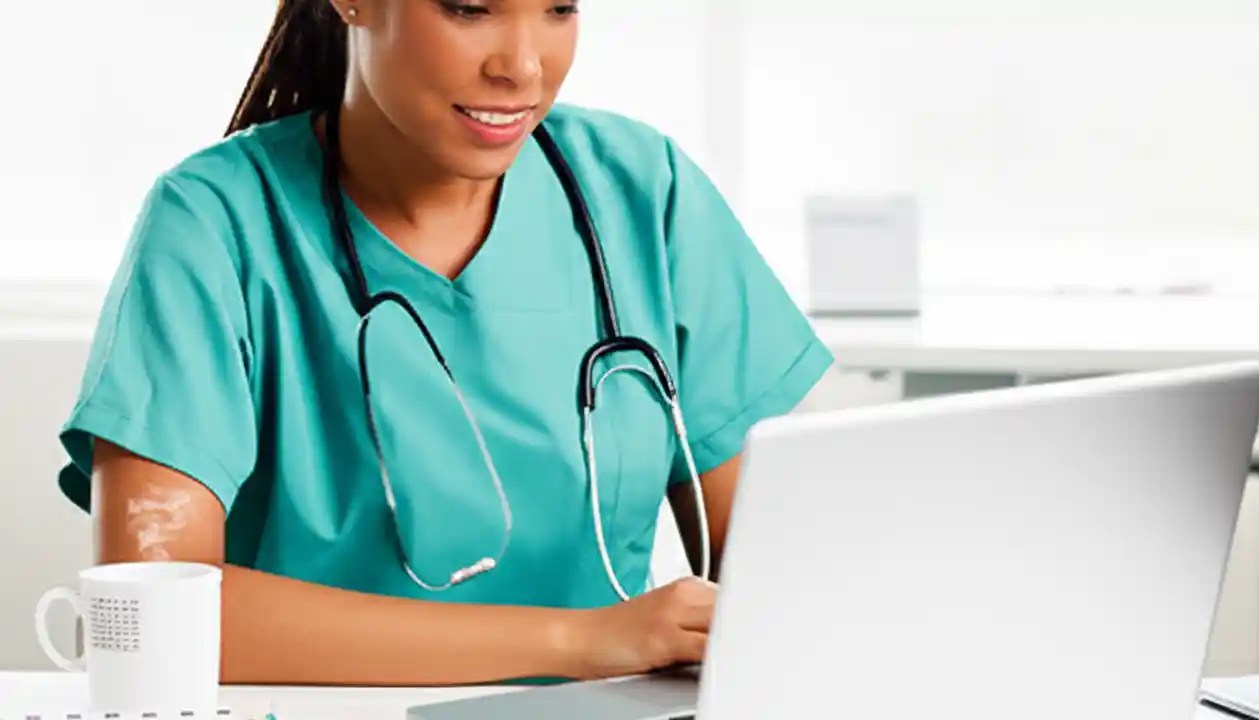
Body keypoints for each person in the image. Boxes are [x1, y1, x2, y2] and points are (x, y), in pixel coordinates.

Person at [55, 0, 833, 686]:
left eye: (559, 8)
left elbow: (775, 572)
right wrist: (581, 639)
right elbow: (150, 608)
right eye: (469, 8)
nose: (523, 65)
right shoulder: (215, 222)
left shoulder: (642, 190)